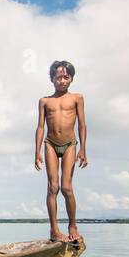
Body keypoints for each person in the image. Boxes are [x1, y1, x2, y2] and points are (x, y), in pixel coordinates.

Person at [34, 60, 88, 242]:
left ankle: (72, 225)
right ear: (52, 79)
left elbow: (82, 124)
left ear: (71, 79)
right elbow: (40, 127)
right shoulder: (44, 101)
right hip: (50, 143)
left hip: (70, 144)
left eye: (66, 77)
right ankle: (54, 230)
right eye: (58, 77)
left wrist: (83, 150)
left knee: (66, 187)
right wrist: (37, 152)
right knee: (52, 187)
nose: (62, 81)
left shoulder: (77, 98)